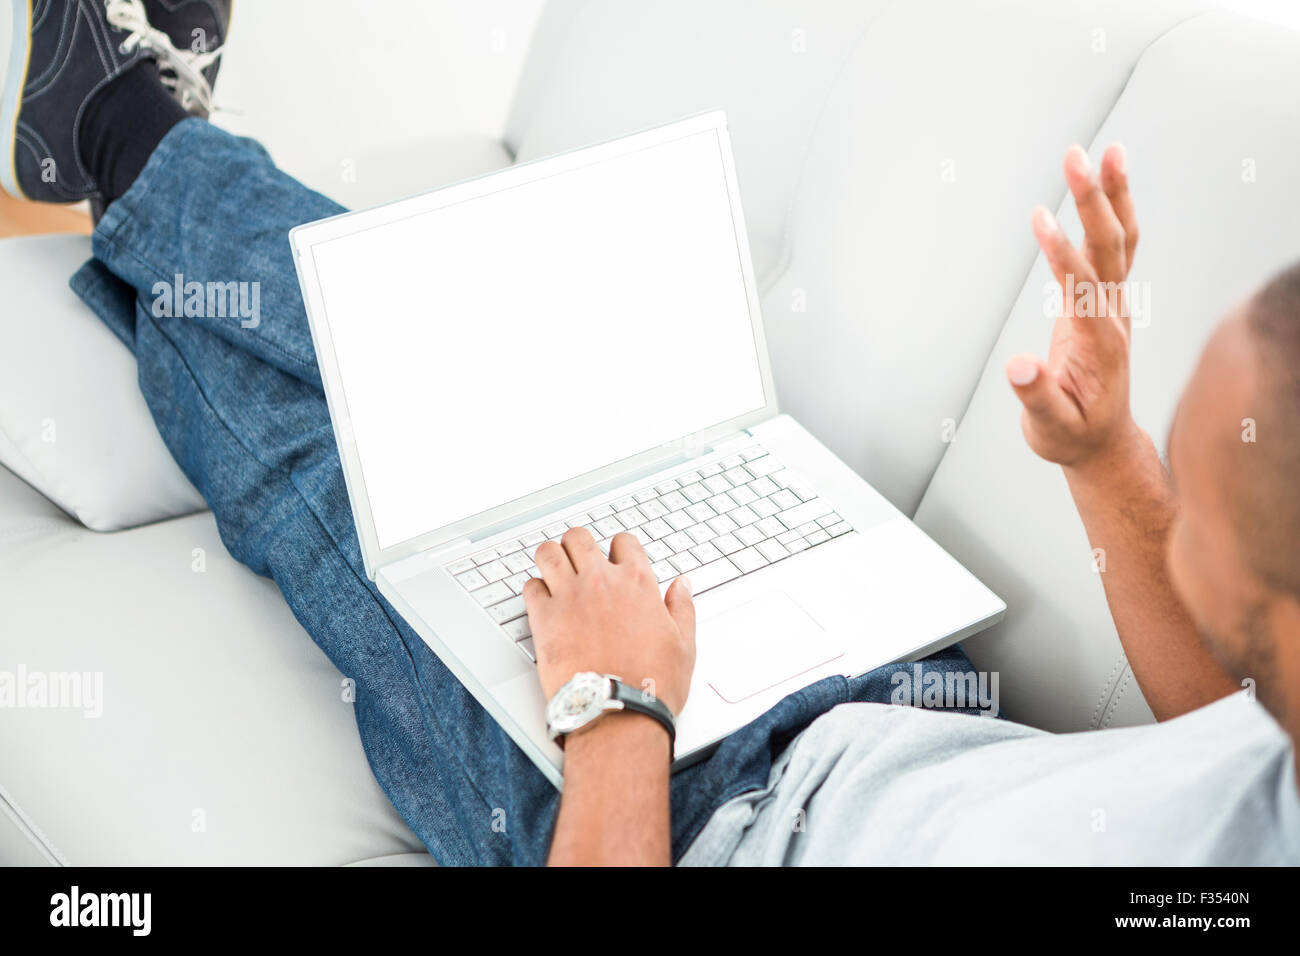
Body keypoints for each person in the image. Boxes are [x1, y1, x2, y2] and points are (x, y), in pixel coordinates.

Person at [6, 0, 1297, 866]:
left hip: (688, 817)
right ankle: (120, 134)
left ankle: (122, 129)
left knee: (350, 472)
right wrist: (1109, 457)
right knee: (487, 378)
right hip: (918, 685)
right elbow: (1231, 733)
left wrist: (614, 707)